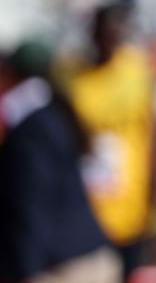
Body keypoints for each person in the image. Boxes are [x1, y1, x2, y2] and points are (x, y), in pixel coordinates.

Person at [0, 41, 122, 283]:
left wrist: (25, 270)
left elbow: (30, 206)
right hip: (89, 257)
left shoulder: (30, 130)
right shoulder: (54, 116)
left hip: (62, 267)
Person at [62, 2, 156, 282]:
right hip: (87, 208)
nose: (110, 40)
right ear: (93, 34)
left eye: (116, 33)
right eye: (104, 33)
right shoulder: (72, 76)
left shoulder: (137, 70)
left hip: (131, 205)